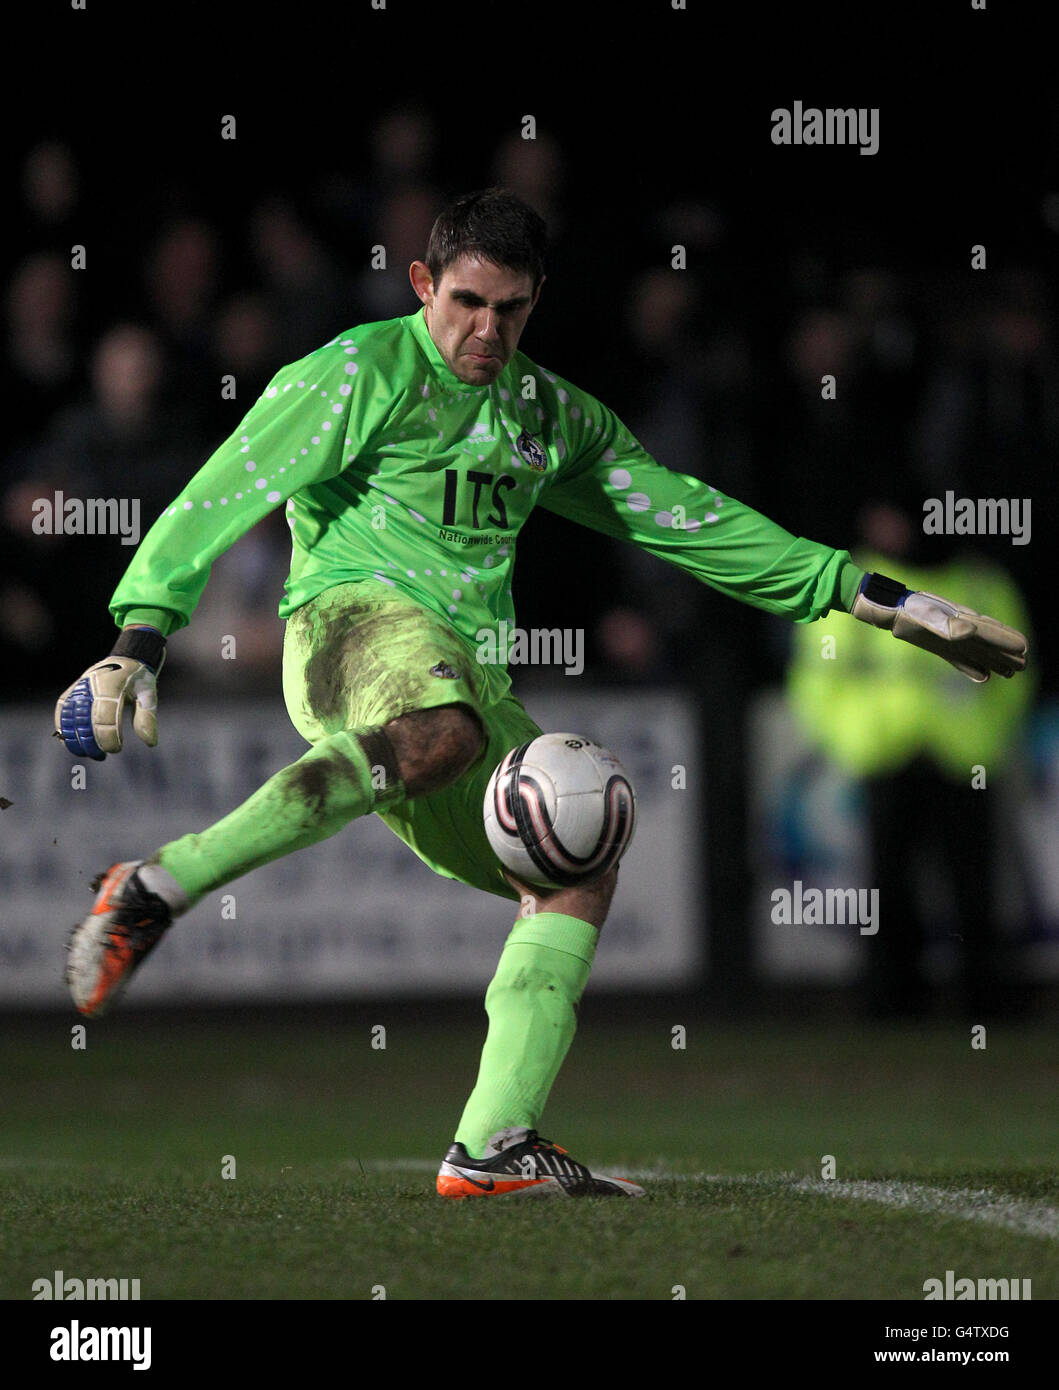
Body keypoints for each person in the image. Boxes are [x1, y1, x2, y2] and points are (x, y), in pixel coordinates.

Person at [55, 188, 1028, 1199]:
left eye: (510, 309)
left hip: (464, 679)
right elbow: (224, 487)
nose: (487, 329)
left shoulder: (550, 417)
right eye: (467, 302)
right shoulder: (357, 372)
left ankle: (490, 1143)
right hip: (348, 625)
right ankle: (158, 886)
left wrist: (870, 596)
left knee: (576, 856)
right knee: (443, 730)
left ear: (536, 301)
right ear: (423, 284)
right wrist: (139, 639)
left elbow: (687, 518)